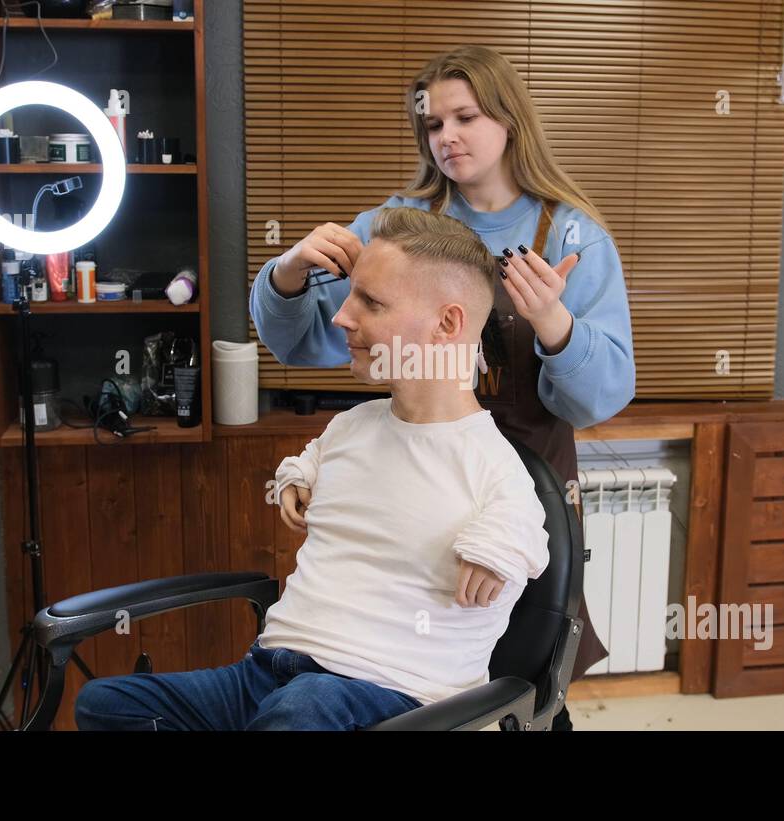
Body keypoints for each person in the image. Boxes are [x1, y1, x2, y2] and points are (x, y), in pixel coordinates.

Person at [249, 45, 636, 729]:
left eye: (466, 117)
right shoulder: (394, 225)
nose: (447, 137)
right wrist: (284, 274)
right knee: (402, 679)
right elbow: (308, 337)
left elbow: (598, 397)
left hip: (523, 485)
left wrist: (555, 325)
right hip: (414, 487)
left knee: (522, 676)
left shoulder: (573, 235)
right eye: (432, 124)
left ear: (509, 120)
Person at [75, 207, 549, 730]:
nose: (342, 318)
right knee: (106, 703)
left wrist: (498, 549)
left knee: (302, 708)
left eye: (370, 302)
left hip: (389, 699)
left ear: (448, 324)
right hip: (266, 677)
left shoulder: (496, 466)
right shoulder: (351, 427)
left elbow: (528, 533)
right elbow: (308, 463)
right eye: (350, 297)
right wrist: (294, 478)